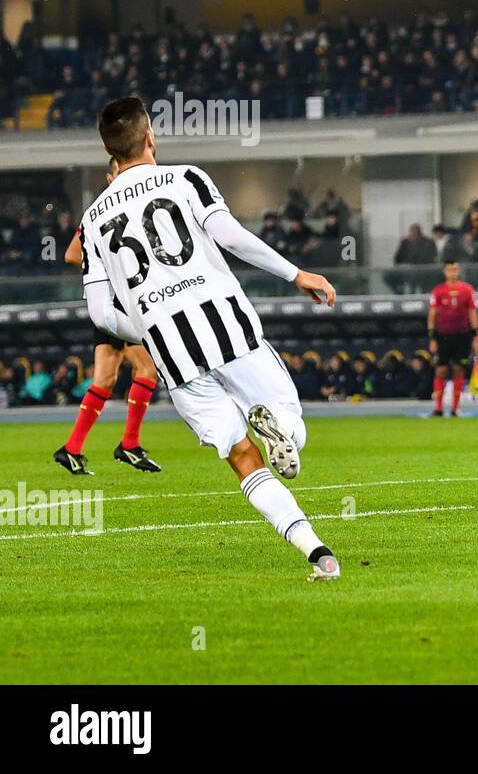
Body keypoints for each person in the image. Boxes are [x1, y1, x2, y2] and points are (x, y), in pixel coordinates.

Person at [78, 96, 340, 580]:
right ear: (150, 137)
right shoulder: (186, 178)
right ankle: (281, 429)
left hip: (173, 356)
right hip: (228, 327)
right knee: (292, 426)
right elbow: (233, 238)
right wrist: (296, 274)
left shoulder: (92, 221)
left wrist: (149, 327)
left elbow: (100, 311)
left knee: (241, 456)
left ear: (108, 150)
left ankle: (317, 553)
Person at [53, 208, 162, 475]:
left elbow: (72, 254)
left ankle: (72, 449)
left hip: (104, 303)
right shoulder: (118, 215)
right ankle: (130, 444)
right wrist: (110, 271)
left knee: (104, 379)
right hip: (118, 303)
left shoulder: (95, 217)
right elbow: (71, 255)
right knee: (148, 370)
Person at [427, 260, 478, 417]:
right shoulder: (438, 291)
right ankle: (438, 408)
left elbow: (472, 312)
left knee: (459, 370)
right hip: (443, 335)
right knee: (441, 370)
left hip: (462, 335)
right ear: (445, 271)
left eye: (455, 269)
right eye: (450, 269)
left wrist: (476, 336)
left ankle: (455, 408)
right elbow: (432, 314)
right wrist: (432, 338)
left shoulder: (467, 289)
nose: (453, 272)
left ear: (459, 271)